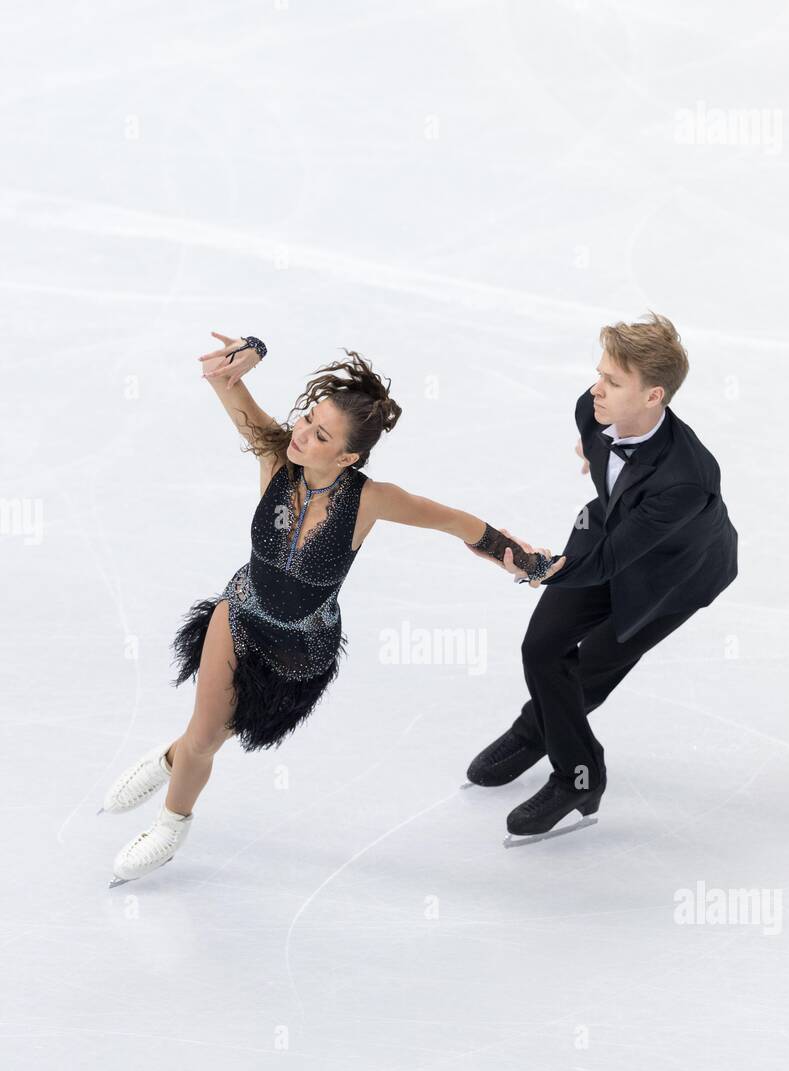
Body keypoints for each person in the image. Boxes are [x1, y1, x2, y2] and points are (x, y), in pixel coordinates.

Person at [100, 336, 555, 886]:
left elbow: (457, 522)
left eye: (321, 435)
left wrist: (525, 561)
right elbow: (224, 380)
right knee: (206, 734)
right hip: (241, 613)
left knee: (215, 736)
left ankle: (168, 762)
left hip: (302, 646)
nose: (302, 434)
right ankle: (172, 827)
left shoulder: (371, 500)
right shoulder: (274, 455)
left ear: (347, 457)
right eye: (308, 419)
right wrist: (251, 351)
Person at [465, 312, 738, 838]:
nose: (597, 389)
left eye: (614, 382)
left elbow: (614, 561)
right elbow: (606, 468)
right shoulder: (591, 412)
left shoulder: (687, 480)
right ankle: (540, 730)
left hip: (671, 578)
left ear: (655, 396)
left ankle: (577, 774)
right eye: (600, 373)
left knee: (592, 669)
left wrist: (536, 568)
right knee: (542, 648)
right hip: (611, 533)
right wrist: (600, 462)